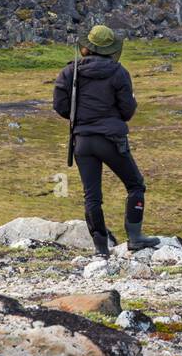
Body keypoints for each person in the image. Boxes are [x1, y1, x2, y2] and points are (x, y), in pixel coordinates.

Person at [53, 24, 159, 257]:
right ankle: (135, 237)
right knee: (135, 185)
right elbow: (127, 110)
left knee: (92, 196)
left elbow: (60, 106)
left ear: (87, 47)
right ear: (110, 48)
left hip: (82, 141)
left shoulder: (70, 72)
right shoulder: (118, 72)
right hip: (111, 140)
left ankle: (101, 248)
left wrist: (81, 120)